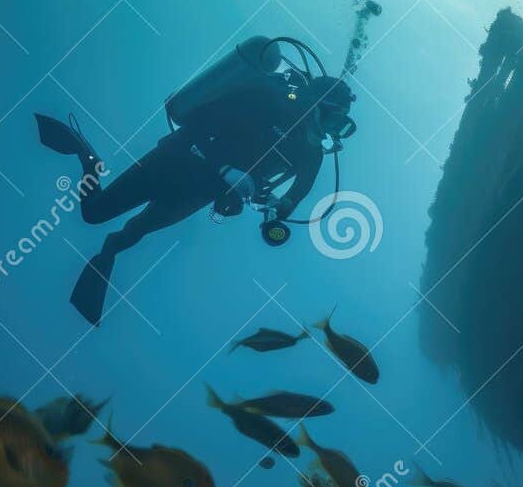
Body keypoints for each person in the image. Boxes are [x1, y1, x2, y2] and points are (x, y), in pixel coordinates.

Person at [36, 73, 355, 325]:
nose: (332, 130)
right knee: (94, 212)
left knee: (136, 231)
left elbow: (293, 199)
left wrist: (264, 209)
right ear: (317, 103)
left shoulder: (311, 154)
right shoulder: (268, 98)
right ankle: (87, 159)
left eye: (338, 125)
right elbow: (202, 120)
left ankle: (109, 253)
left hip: (198, 193)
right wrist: (224, 166)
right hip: (174, 160)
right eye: (332, 119)